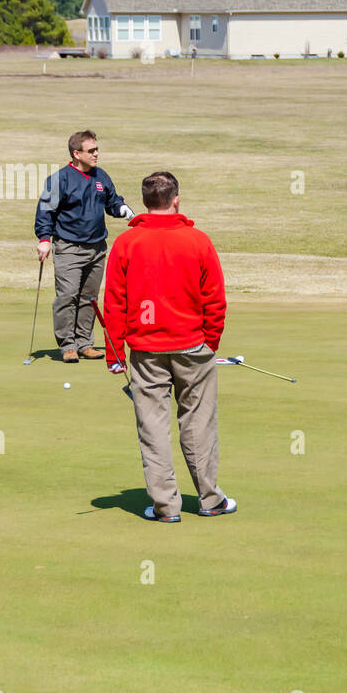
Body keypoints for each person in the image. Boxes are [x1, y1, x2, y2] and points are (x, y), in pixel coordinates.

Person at [102, 171, 235, 523]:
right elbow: (215, 300)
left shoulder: (127, 244)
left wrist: (114, 353)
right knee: (199, 424)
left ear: (146, 201)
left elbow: (115, 303)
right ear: (175, 199)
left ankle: (165, 507)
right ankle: (210, 499)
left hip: (146, 352)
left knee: (153, 428)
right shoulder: (197, 240)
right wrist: (210, 341)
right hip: (193, 347)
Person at [35, 130, 134, 363]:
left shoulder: (101, 176)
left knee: (89, 297)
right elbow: (46, 211)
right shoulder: (60, 179)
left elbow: (111, 201)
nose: (96, 154)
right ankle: (67, 345)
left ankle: (84, 343)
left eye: (97, 149)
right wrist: (44, 239)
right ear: (76, 154)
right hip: (69, 247)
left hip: (97, 248)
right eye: (91, 151)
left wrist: (121, 209)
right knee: (67, 295)